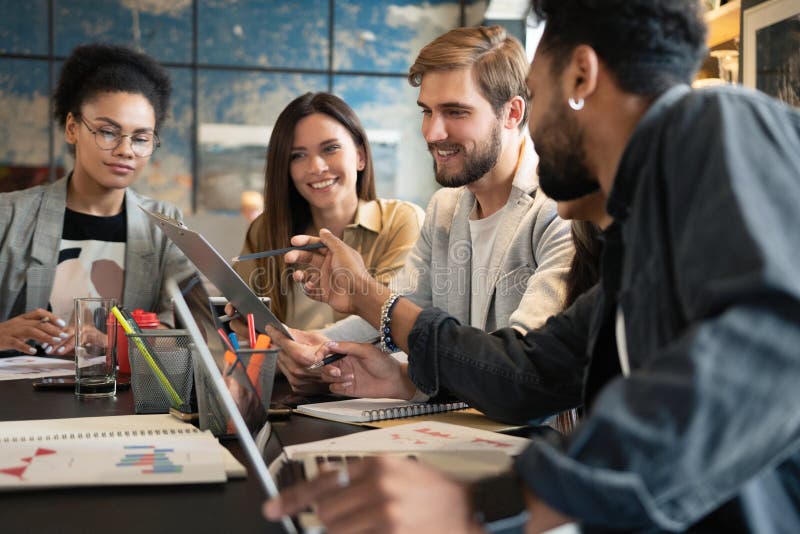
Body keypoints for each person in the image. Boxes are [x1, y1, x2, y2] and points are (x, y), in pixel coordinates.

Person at [265, 0, 800, 531]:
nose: (533, 136)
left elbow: (767, 351)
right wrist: (408, 385)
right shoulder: (635, 247)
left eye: (536, 97)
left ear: (581, 76)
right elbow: (528, 374)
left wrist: (489, 506)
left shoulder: (718, 119)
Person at [268, 26, 574, 393]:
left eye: (455, 112)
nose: (432, 132)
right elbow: (401, 311)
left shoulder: (561, 210)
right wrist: (312, 343)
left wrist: (368, 298)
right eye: (427, 112)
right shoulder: (444, 208)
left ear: (512, 112)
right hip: (454, 433)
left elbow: (521, 371)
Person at [0, 43, 191, 355]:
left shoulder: (165, 226)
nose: (126, 150)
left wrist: (114, 342)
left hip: (123, 403)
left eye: (141, 139)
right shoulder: (8, 215)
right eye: (108, 132)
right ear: (73, 128)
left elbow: (187, 330)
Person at [233, 92, 423, 333]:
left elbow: (392, 322)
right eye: (298, 155)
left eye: (331, 148)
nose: (316, 168)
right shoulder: (265, 230)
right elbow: (247, 328)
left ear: (360, 157)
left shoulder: (401, 221)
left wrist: (304, 348)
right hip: (279, 371)